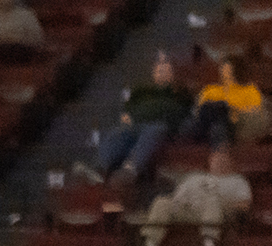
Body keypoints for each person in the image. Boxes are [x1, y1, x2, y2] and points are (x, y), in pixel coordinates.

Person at [76, 54, 192, 187]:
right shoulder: (141, 91)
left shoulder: (180, 93)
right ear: (153, 71)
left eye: (166, 66)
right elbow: (127, 112)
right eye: (158, 66)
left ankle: (129, 170)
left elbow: (182, 113)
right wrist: (127, 117)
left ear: (174, 72)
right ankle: (97, 169)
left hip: (161, 127)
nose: (162, 69)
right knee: (120, 131)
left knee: (155, 129)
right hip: (135, 125)